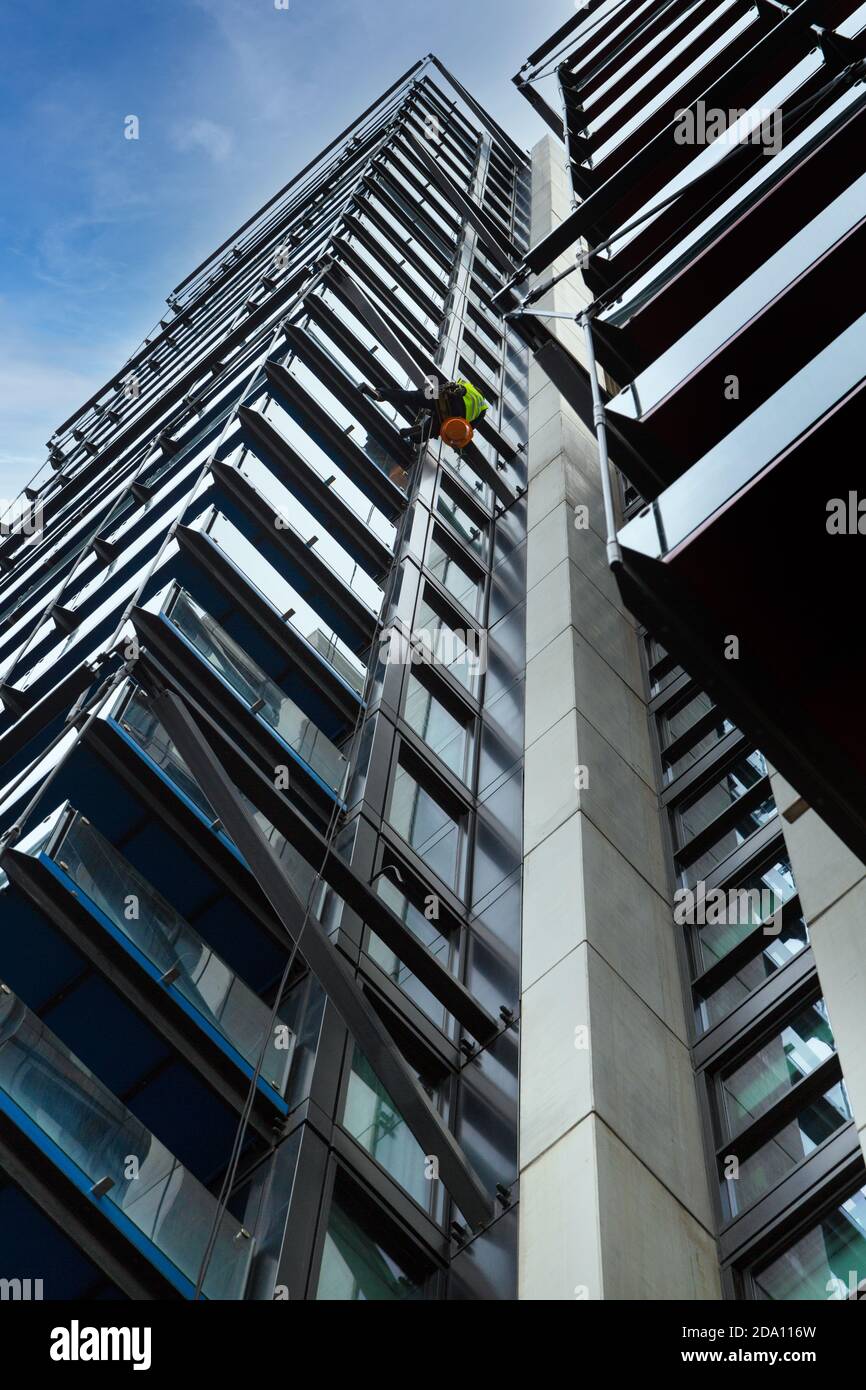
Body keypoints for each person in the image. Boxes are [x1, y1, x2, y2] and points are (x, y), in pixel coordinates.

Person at [361, 375, 488, 448]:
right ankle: (418, 431)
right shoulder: (483, 408)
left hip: (444, 398)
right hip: (451, 420)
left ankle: (380, 394)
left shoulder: (468, 385)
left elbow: (449, 386)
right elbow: (469, 428)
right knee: (420, 438)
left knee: (412, 397)